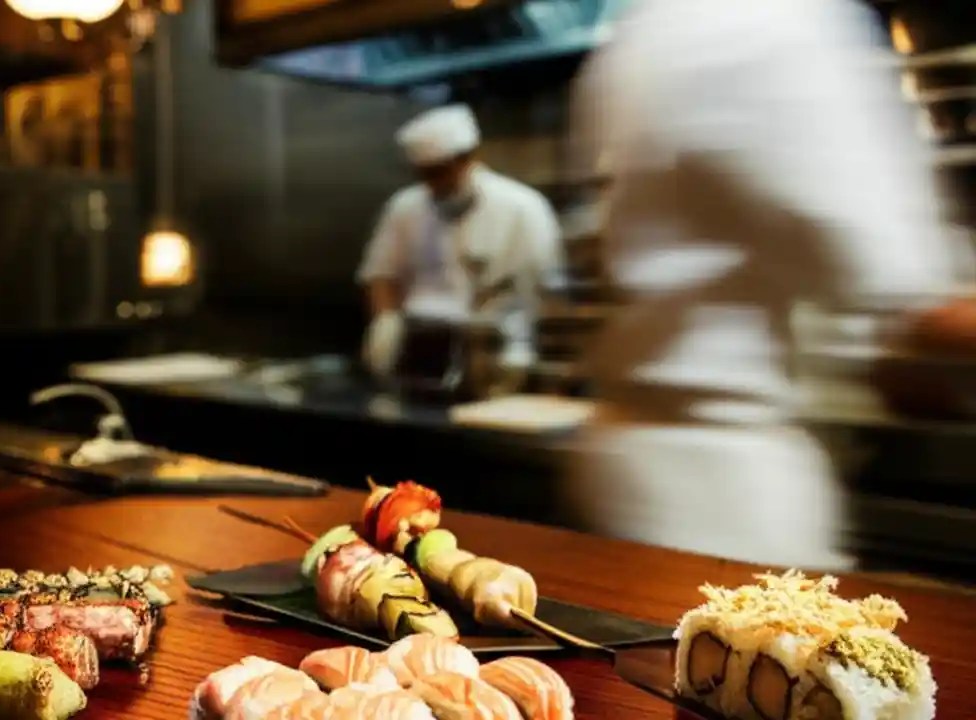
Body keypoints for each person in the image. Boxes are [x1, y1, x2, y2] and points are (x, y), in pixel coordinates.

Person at [563, 0, 965, 569]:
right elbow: (919, 302)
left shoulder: (639, 30)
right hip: (720, 487)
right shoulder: (782, 24)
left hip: (632, 450)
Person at [358, 104, 563, 395]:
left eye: (442, 173)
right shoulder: (404, 208)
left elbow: (543, 291)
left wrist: (519, 345)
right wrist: (386, 322)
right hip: (417, 354)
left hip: (495, 355)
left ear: (469, 159)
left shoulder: (524, 208)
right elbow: (381, 274)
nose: (434, 185)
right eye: (425, 175)